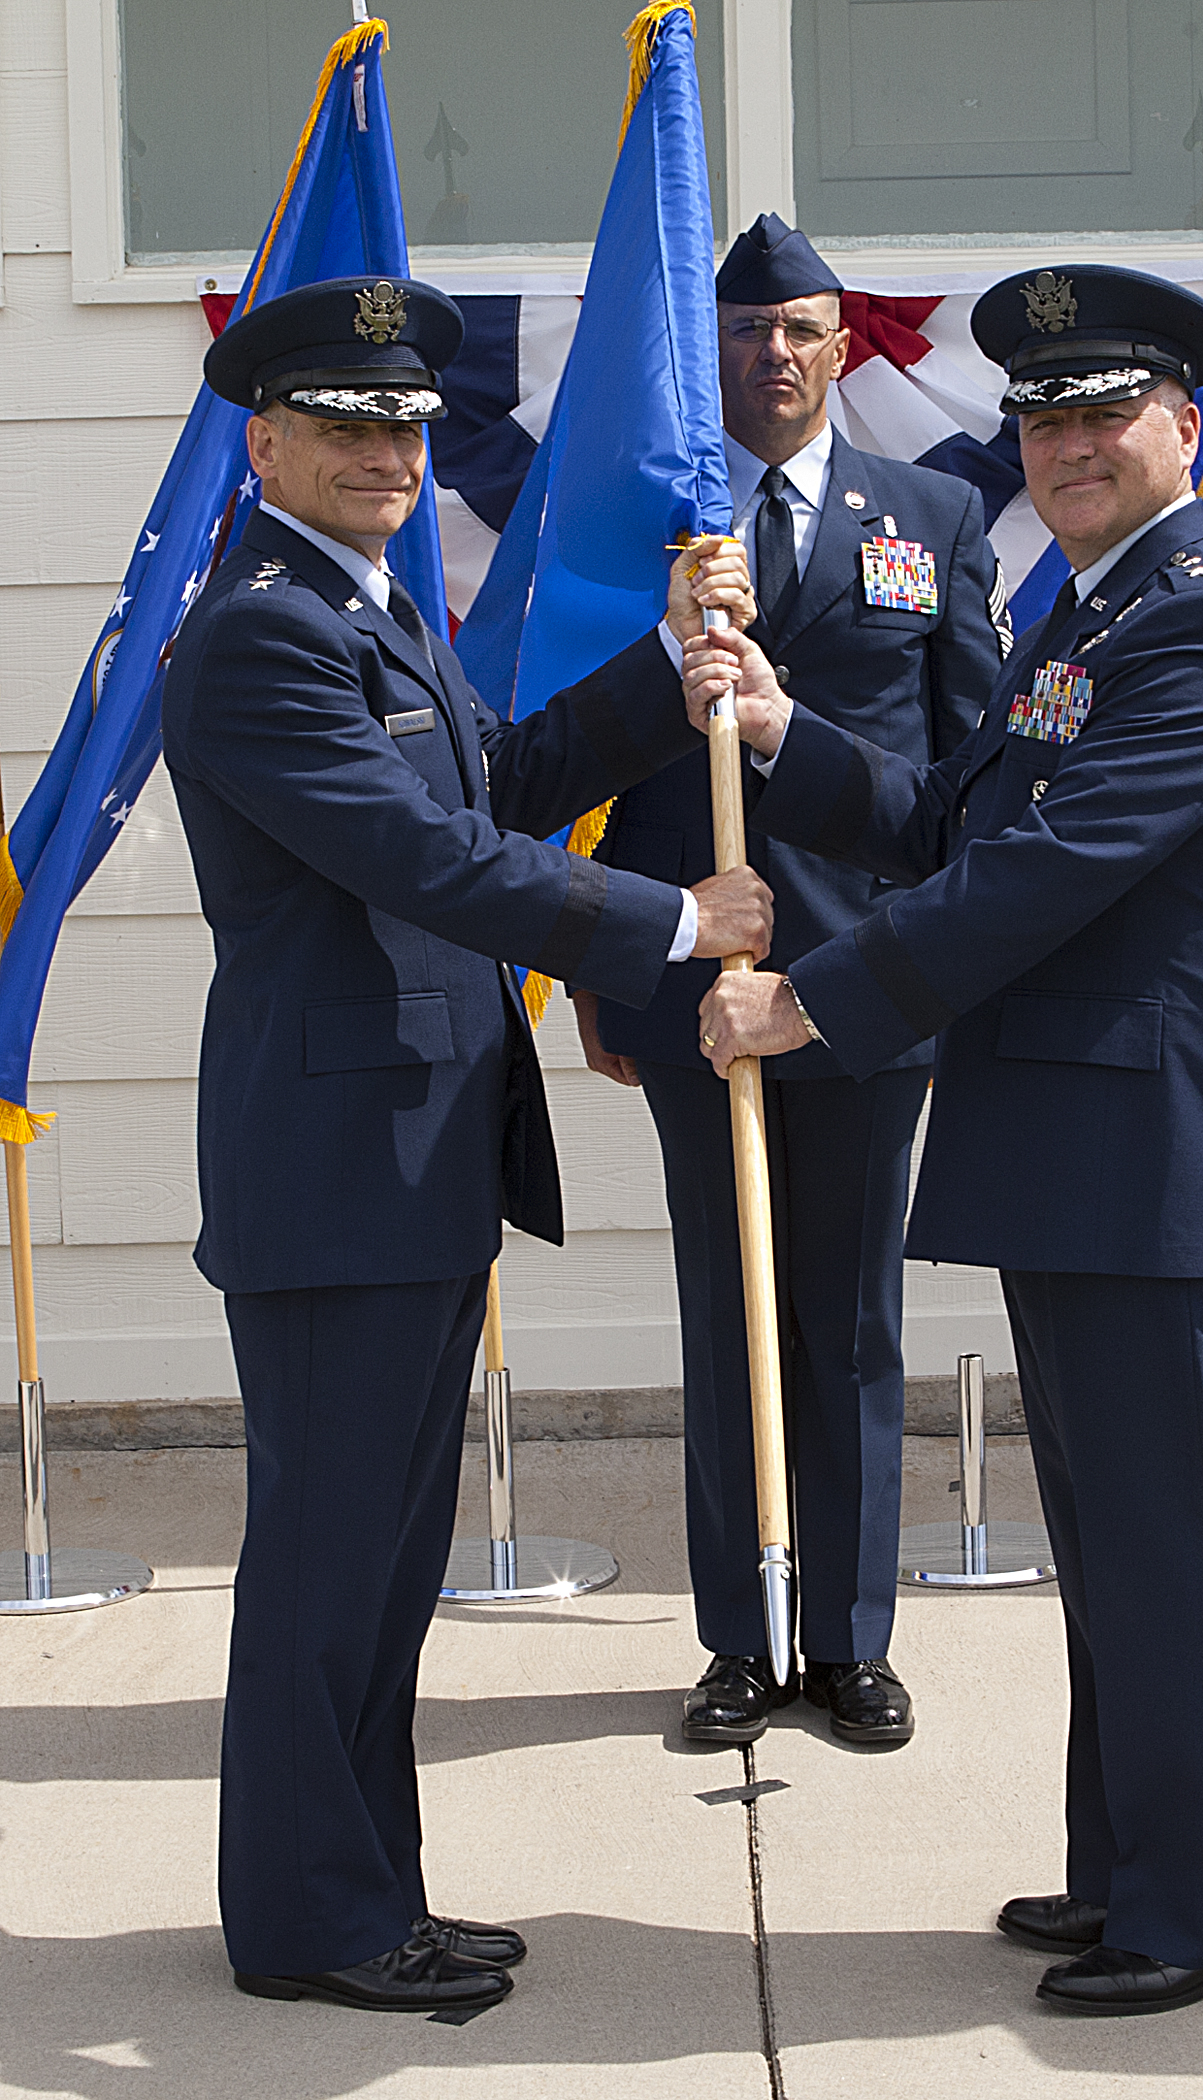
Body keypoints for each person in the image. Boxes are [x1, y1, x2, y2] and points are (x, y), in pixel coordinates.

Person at [682, 265, 1203, 2015]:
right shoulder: (1088, 611)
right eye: (1044, 419)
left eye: (1105, 411)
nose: (1069, 446)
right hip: (1084, 1150)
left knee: (1166, 1542)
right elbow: (959, 820)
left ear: (1183, 422)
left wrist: (808, 1002)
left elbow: (1040, 882)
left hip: (1160, 1156)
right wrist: (782, 733)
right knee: (1112, 1539)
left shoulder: (1198, 624)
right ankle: (1133, 1869)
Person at [164, 276, 771, 2016]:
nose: (384, 453)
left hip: (407, 1165)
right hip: (336, 1174)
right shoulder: (263, 632)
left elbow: (491, 779)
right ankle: (310, 1923)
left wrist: (670, 672)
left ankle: (368, 1893)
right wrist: (671, 917)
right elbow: (423, 860)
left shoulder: (374, 611)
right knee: (328, 1568)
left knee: (377, 1565)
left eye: (406, 427)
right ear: (265, 439)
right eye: (346, 426)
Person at [573, 213, 1007, 1749]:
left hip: (865, 981)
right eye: (748, 332)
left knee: (854, 1316)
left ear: (844, 347)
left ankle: (854, 1636)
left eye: (803, 330)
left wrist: (933, 966)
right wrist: (600, 967)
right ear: (715, 353)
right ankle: (743, 1640)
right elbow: (597, 772)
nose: (776, 356)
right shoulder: (655, 537)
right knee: (729, 1306)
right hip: (695, 982)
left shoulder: (933, 519)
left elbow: (966, 782)